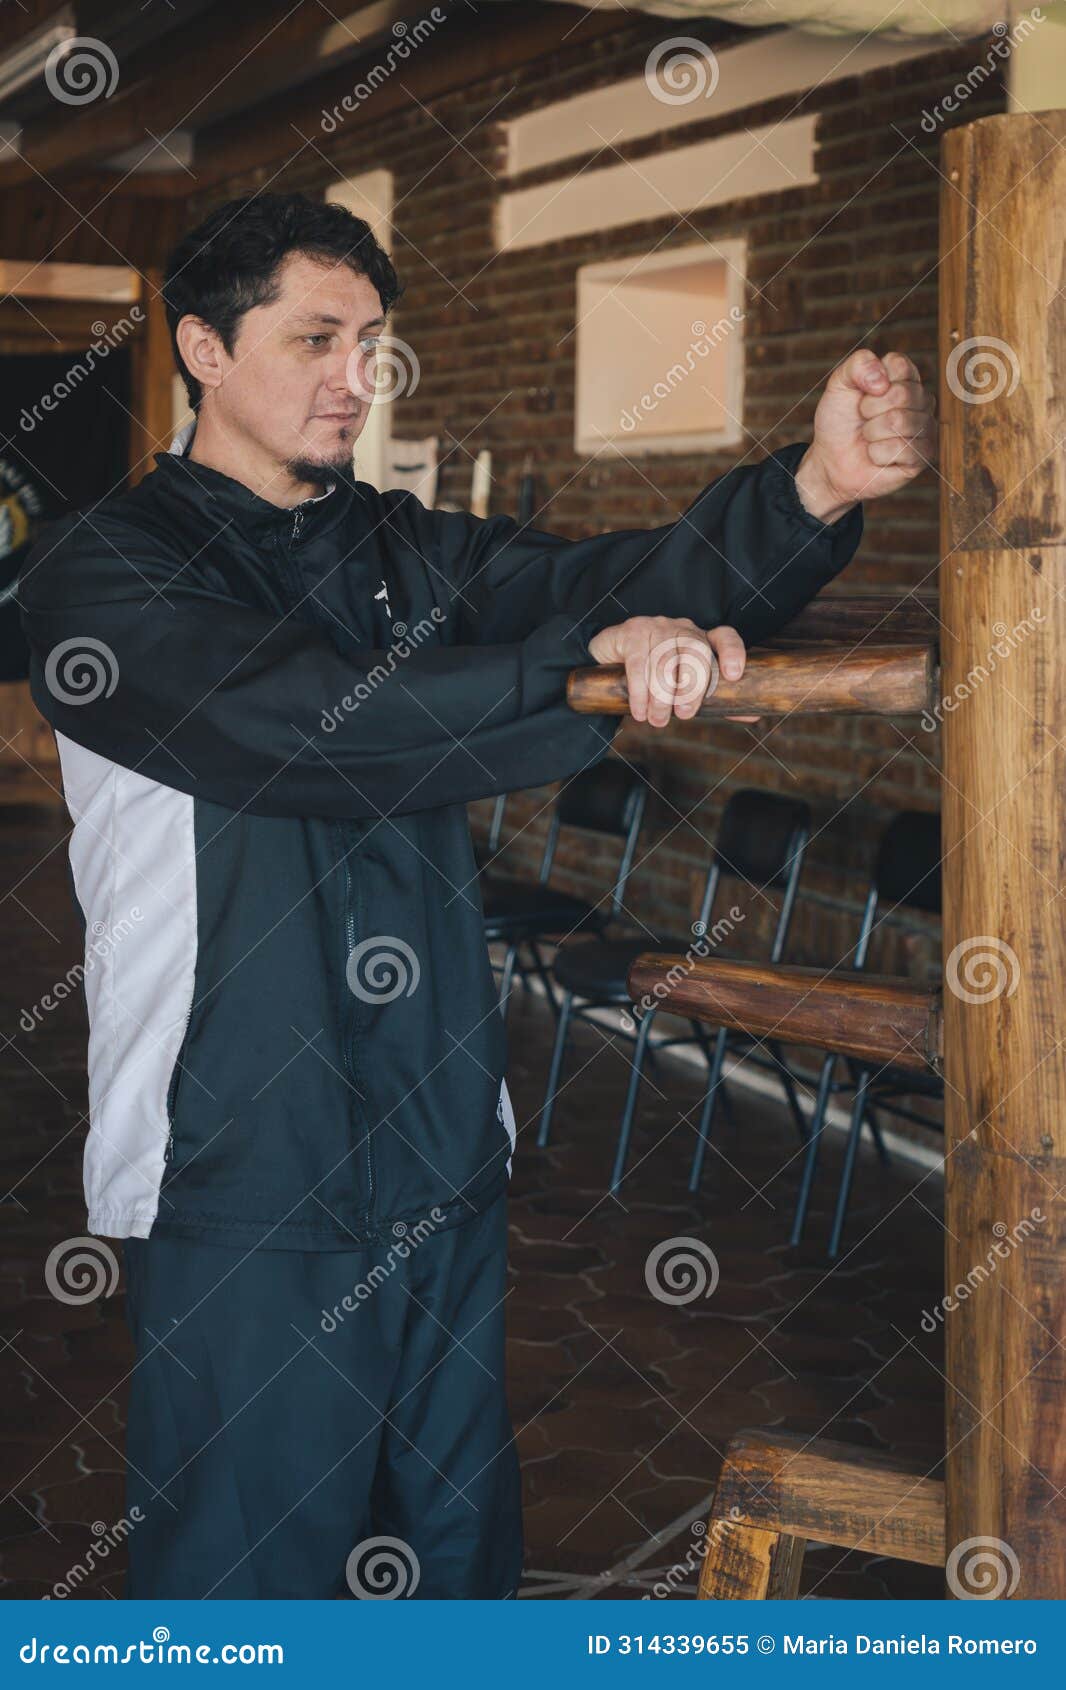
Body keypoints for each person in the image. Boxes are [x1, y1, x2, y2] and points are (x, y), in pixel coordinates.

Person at [17, 192, 935, 1600]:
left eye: (372, 341)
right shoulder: (102, 574)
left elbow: (607, 578)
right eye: (315, 338)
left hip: (440, 1130)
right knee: (251, 1576)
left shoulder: (400, 552)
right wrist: (579, 669)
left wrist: (806, 490)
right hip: (243, 1155)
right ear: (201, 347)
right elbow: (310, 722)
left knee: (450, 1554)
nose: (355, 379)